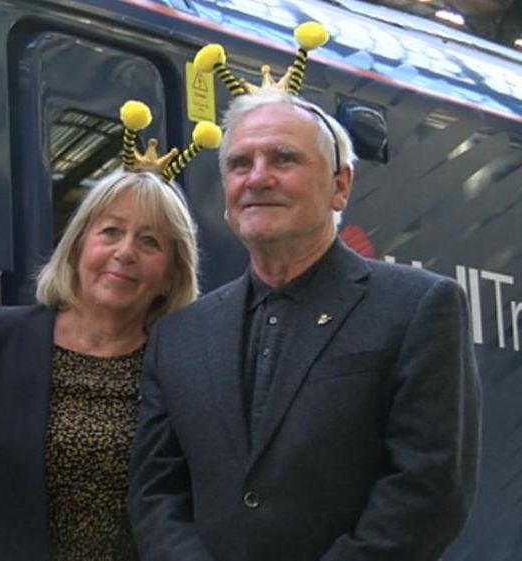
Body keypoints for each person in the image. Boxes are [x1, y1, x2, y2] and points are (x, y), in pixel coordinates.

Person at [128, 90, 482, 561]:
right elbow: (156, 494)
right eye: (239, 164)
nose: (257, 178)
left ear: (340, 185)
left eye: (284, 159)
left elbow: (429, 487)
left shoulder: (418, 306)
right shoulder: (179, 336)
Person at [0, 169, 200, 561]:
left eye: (149, 241)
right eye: (110, 231)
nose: (125, 252)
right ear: (77, 247)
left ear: (170, 277)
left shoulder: (182, 369)